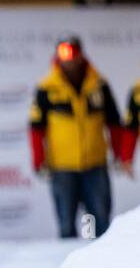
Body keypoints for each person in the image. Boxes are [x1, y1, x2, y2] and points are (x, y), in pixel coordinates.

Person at [29, 35, 134, 238]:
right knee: (66, 224)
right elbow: (36, 128)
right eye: (63, 54)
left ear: (80, 55)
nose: (68, 59)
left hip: (95, 164)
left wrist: (120, 155)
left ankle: (99, 266)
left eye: (72, 53)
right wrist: (38, 160)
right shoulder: (47, 87)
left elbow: (114, 123)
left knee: (99, 223)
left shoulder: (99, 85)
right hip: (62, 167)